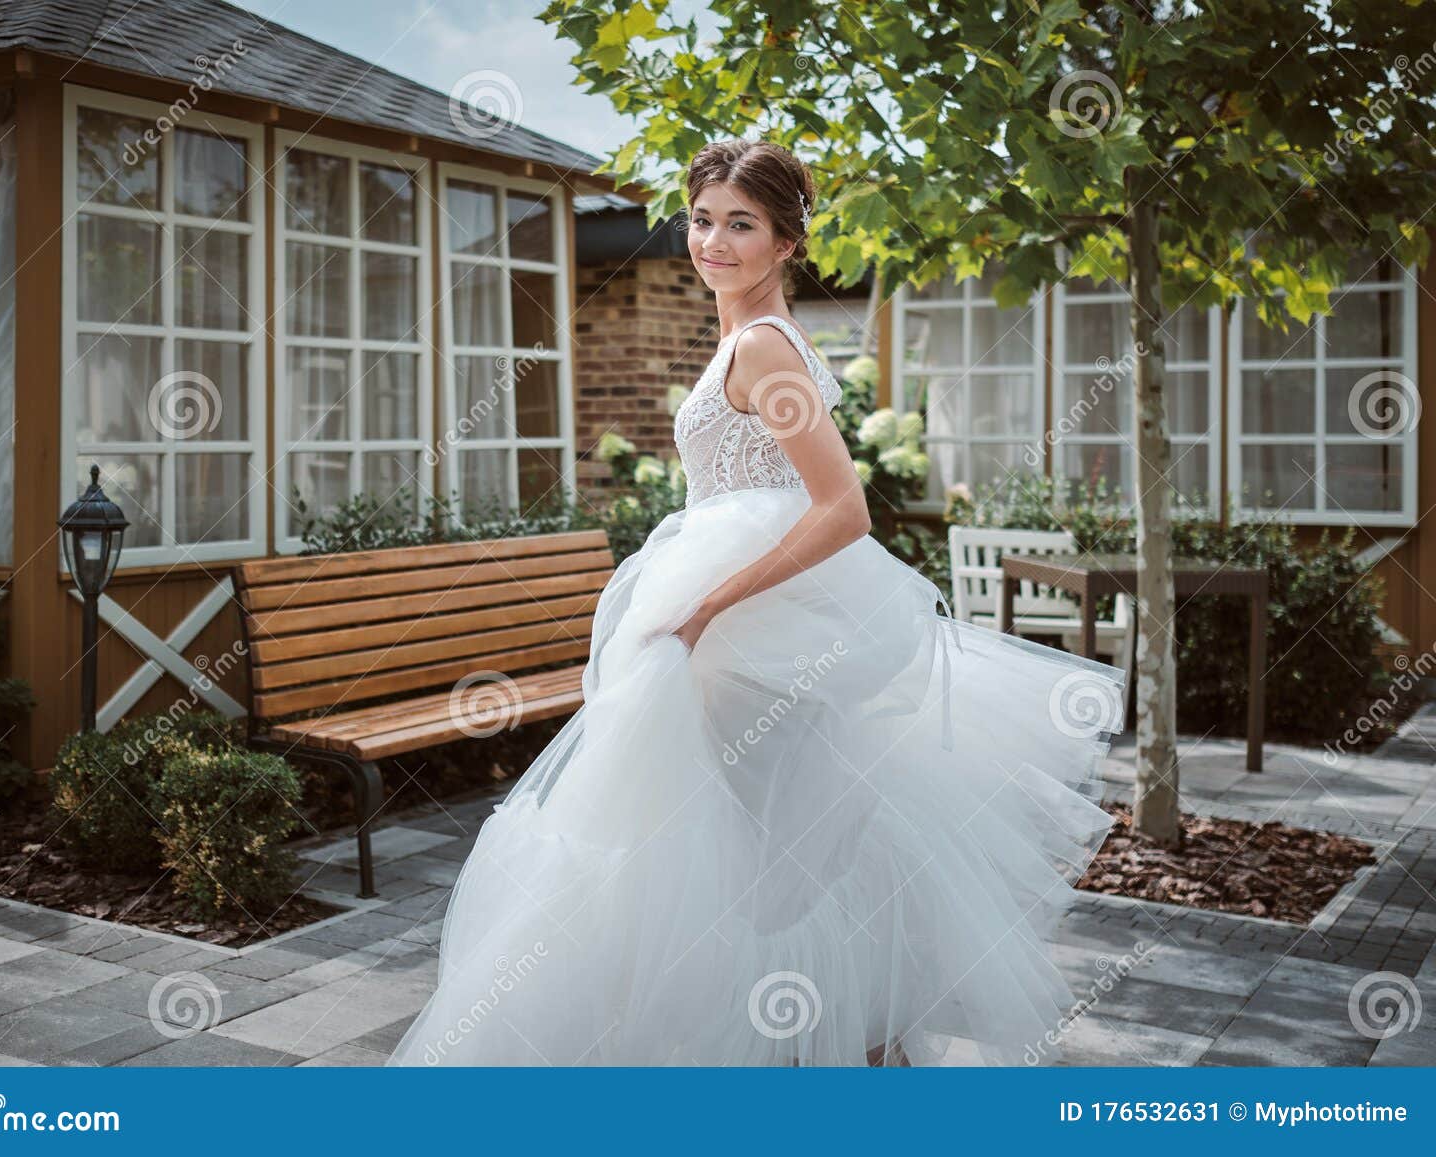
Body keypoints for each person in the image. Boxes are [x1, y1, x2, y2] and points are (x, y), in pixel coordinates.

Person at [385, 139, 1126, 1067]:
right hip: (738, 635)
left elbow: (842, 507)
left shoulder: (765, 344)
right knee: (765, 856)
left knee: (732, 858)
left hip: (747, 640)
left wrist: (706, 608)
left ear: (785, 242)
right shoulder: (751, 336)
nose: (714, 241)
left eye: (741, 224)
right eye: (702, 220)